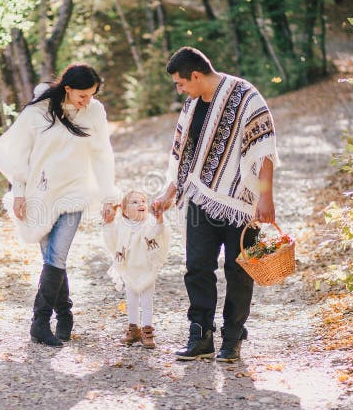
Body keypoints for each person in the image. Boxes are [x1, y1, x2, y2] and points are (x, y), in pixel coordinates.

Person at [152, 47, 279, 362]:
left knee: (238, 269)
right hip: (199, 197)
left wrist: (266, 196)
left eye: (181, 83)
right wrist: (169, 191)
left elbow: (264, 149)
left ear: (195, 75)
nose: (180, 89)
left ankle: (232, 337)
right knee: (197, 267)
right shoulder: (192, 104)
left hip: (239, 201)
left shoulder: (247, 96)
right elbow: (183, 153)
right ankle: (201, 334)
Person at [0, 64, 118, 347]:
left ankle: (40, 323)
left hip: (75, 192)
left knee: (56, 256)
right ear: (67, 88)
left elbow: (102, 154)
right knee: (51, 260)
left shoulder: (94, 112)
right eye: (82, 95)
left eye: (92, 95)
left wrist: (108, 195)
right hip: (40, 194)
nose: (87, 101)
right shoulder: (37, 112)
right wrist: (19, 192)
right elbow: (19, 155)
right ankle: (65, 313)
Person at [102, 190, 170, 349]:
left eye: (143, 201)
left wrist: (160, 221)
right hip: (129, 269)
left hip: (147, 268)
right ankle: (134, 328)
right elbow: (112, 241)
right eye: (134, 202)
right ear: (125, 211)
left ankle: (147, 330)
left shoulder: (150, 223)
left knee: (147, 302)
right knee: (131, 301)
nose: (140, 204)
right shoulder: (122, 226)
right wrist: (109, 222)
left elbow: (157, 232)